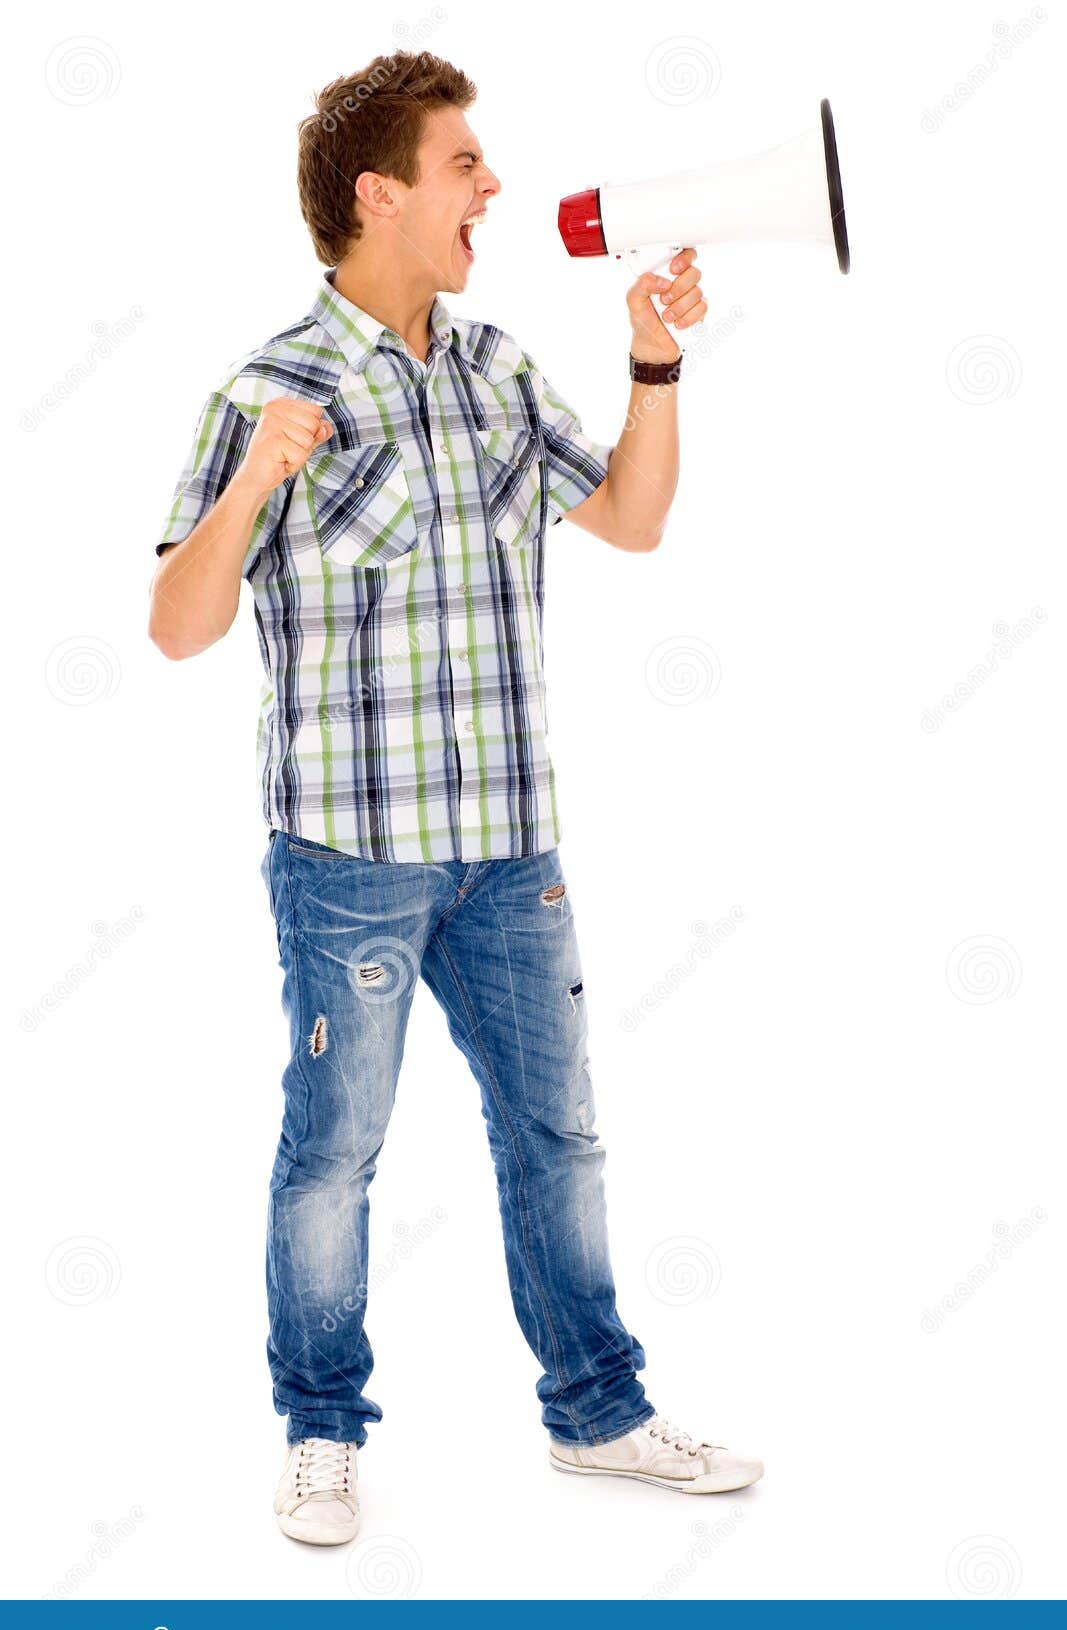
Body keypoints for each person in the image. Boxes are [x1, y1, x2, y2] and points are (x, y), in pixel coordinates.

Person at [149, 49, 763, 1547]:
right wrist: (251, 485)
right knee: (334, 1152)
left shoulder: (494, 369)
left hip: (508, 850)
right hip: (347, 857)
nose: (491, 187)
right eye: (465, 165)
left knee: (560, 1137)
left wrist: (653, 360)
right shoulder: (268, 388)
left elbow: (631, 516)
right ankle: (319, 1428)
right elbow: (176, 624)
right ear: (381, 194)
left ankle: (599, 1414)